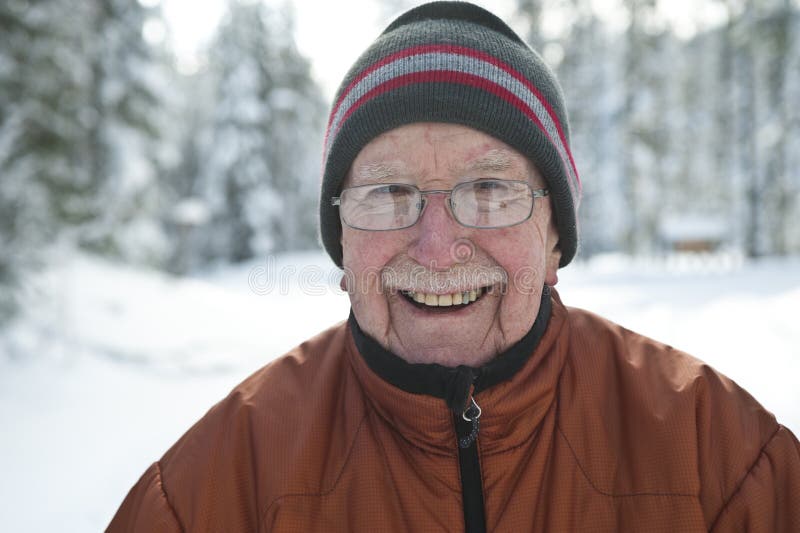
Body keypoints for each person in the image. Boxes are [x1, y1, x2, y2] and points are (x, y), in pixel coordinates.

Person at [108, 2, 800, 531]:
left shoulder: (725, 462)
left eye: (490, 190)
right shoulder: (215, 488)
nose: (437, 247)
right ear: (342, 244)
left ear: (555, 236)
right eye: (388, 193)